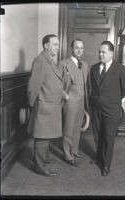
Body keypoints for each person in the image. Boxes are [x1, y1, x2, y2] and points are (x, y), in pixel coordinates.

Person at [27, 34, 68, 176]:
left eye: (58, 44)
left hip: (51, 106)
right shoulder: (40, 61)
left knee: (46, 136)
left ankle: (43, 158)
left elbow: (53, 82)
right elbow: (33, 86)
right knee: (42, 137)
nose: (58, 47)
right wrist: (32, 106)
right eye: (55, 44)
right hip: (44, 106)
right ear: (46, 46)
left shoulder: (48, 60)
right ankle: (39, 166)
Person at [89, 41, 125, 176]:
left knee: (108, 136)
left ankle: (106, 164)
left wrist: (113, 101)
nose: (100, 54)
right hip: (96, 108)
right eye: (99, 52)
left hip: (111, 109)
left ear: (111, 53)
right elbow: (93, 88)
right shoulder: (94, 68)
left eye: (103, 52)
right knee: (97, 134)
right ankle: (99, 157)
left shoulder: (121, 69)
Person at [59, 39, 89, 166]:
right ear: (72, 48)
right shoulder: (63, 63)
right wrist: (66, 96)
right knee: (68, 128)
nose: (79, 50)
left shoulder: (86, 65)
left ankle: (74, 150)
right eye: (77, 47)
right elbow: (56, 84)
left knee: (77, 127)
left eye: (81, 48)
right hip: (70, 100)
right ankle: (67, 155)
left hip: (81, 100)